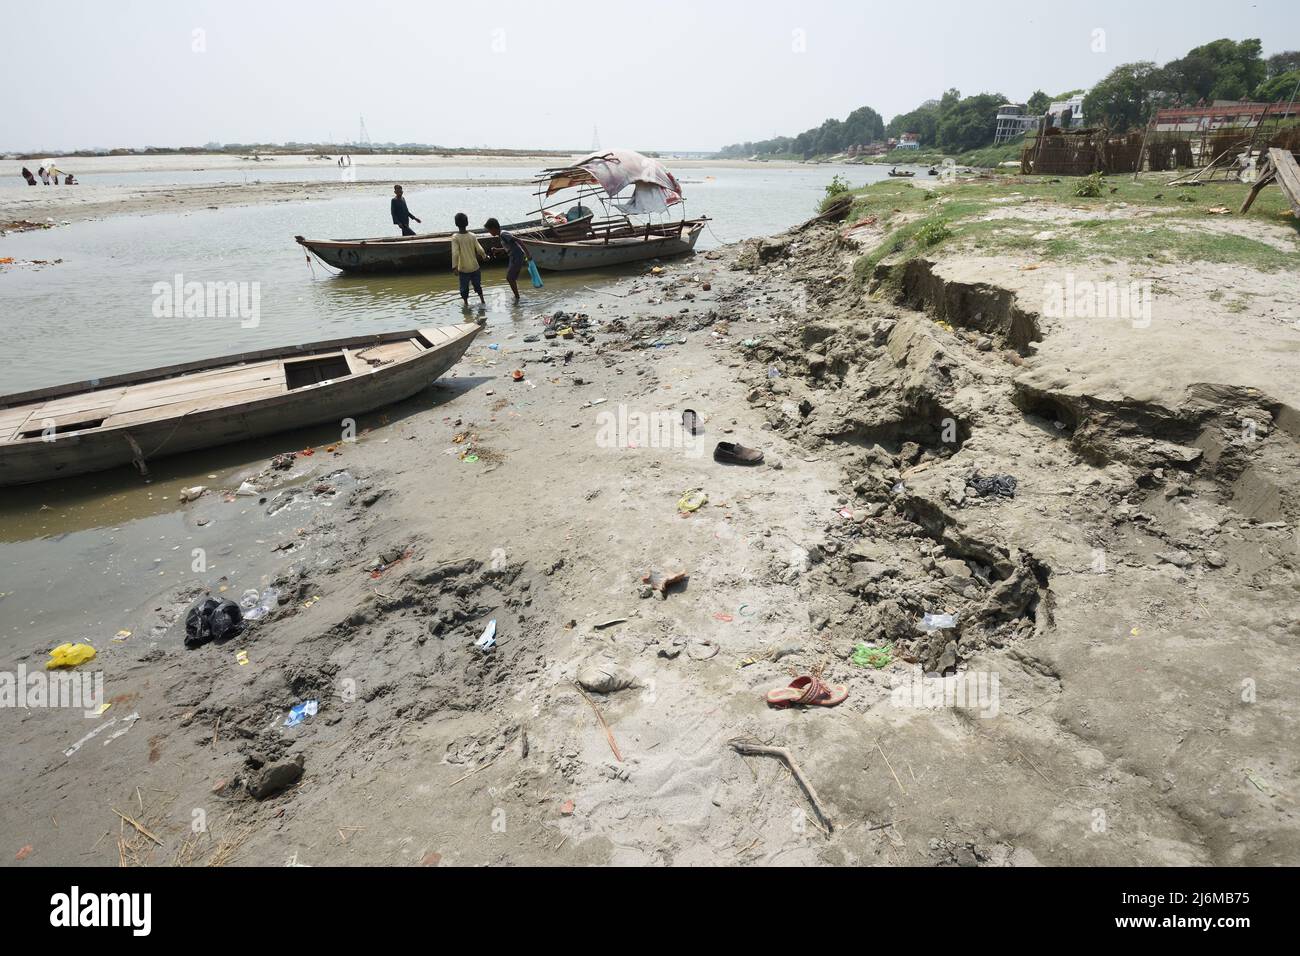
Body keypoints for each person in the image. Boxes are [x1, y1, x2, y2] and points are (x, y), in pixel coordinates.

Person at [484, 217, 531, 302]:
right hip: (513, 257)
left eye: (489, 230)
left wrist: (527, 254)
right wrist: (498, 250)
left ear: (494, 228)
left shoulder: (503, 234)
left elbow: (519, 241)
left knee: (510, 278)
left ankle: (517, 297)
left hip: (517, 257)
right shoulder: (501, 235)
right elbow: (509, 247)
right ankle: (517, 296)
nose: (489, 232)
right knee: (511, 278)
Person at [449, 212, 486, 307]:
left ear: (456, 224)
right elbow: (480, 249)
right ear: (467, 223)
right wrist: (485, 256)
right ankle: (482, 300)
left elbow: (455, 253)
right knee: (477, 286)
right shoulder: (472, 236)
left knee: (464, 289)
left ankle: (466, 304)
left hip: (463, 269)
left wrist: (454, 267)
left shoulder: (455, 237)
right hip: (475, 267)